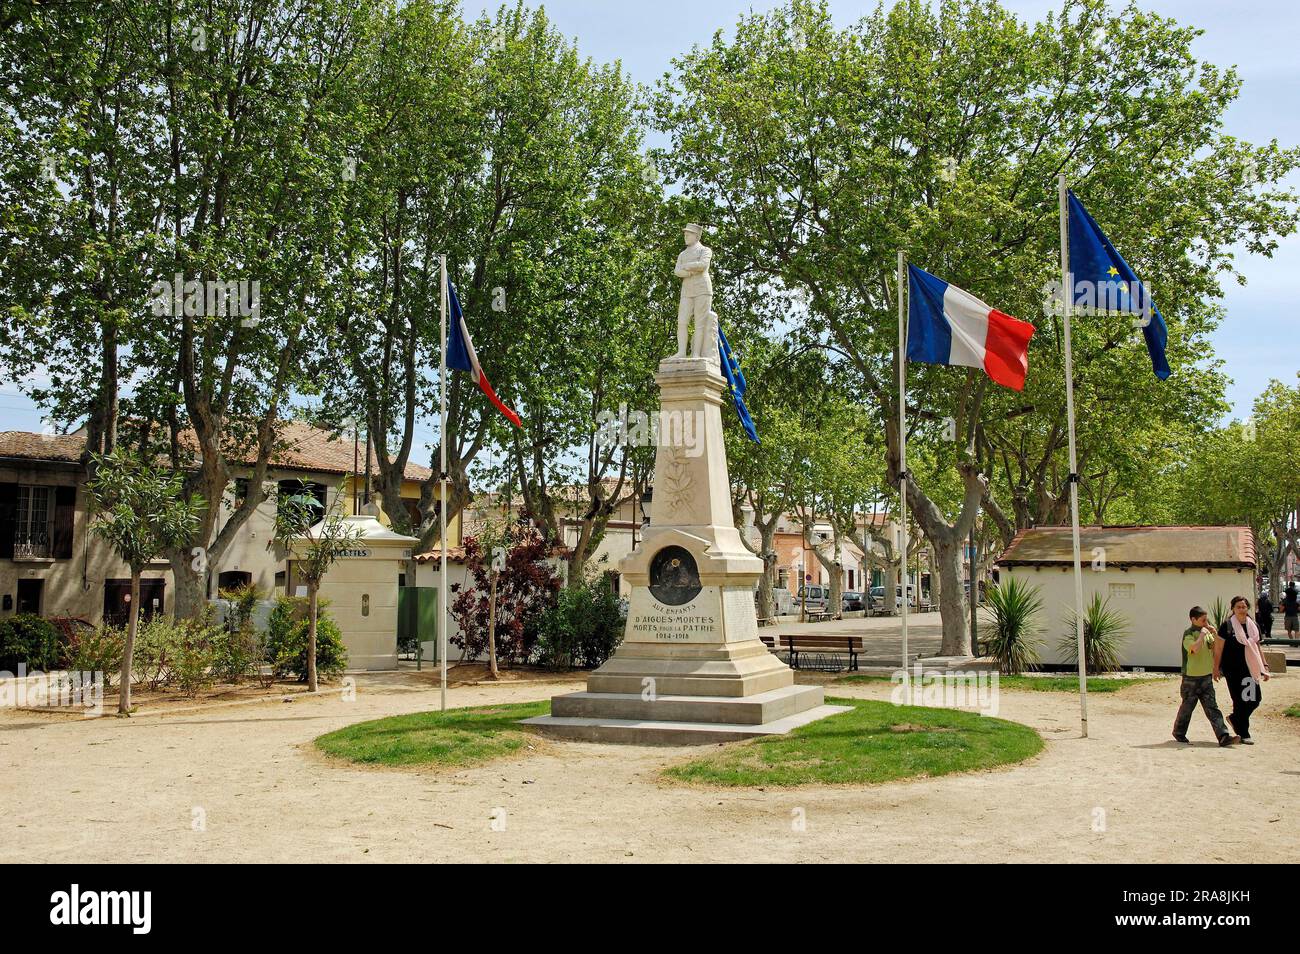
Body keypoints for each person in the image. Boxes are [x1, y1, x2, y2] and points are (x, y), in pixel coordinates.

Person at [1172, 606, 1232, 747]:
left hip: (1206, 676)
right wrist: (1201, 635)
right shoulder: (1189, 634)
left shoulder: (1206, 633)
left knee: (1212, 708)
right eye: (1203, 620)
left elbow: (1215, 647)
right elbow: (1194, 649)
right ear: (1193, 619)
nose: (1206, 622)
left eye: (1206, 619)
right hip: (1190, 678)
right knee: (1187, 707)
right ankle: (1179, 732)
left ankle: (1223, 736)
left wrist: (1215, 634)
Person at [1214, 596, 1271, 744]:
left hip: (1250, 668)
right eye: (1238, 607)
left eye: (1244, 607)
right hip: (1232, 669)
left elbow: (1257, 647)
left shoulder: (1253, 626)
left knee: (1254, 699)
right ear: (1233, 608)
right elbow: (1218, 648)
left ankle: (1234, 719)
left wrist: (1264, 666)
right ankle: (1243, 733)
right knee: (1239, 701)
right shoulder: (1227, 626)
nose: (1241, 609)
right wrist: (1216, 668)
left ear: (1248, 608)